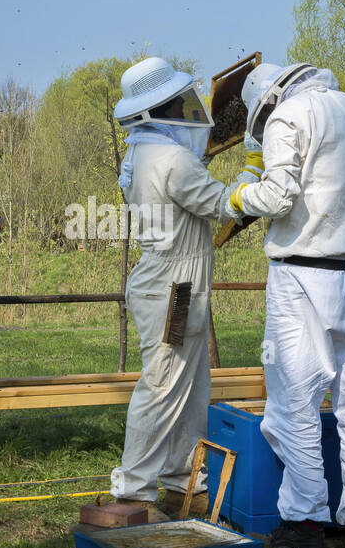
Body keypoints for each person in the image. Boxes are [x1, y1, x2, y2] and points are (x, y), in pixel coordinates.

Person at [231, 63, 345, 548]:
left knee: (294, 405)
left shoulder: (289, 116)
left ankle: (305, 526)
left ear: (268, 101)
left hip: (301, 276)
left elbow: (277, 195)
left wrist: (236, 195)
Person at [104, 57, 260, 520]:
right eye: (178, 101)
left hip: (167, 284)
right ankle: (132, 492)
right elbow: (222, 207)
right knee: (163, 386)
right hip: (176, 291)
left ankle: (181, 486)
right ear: (162, 108)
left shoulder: (144, 152)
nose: (187, 107)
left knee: (190, 392)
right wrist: (254, 165)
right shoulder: (172, 160)